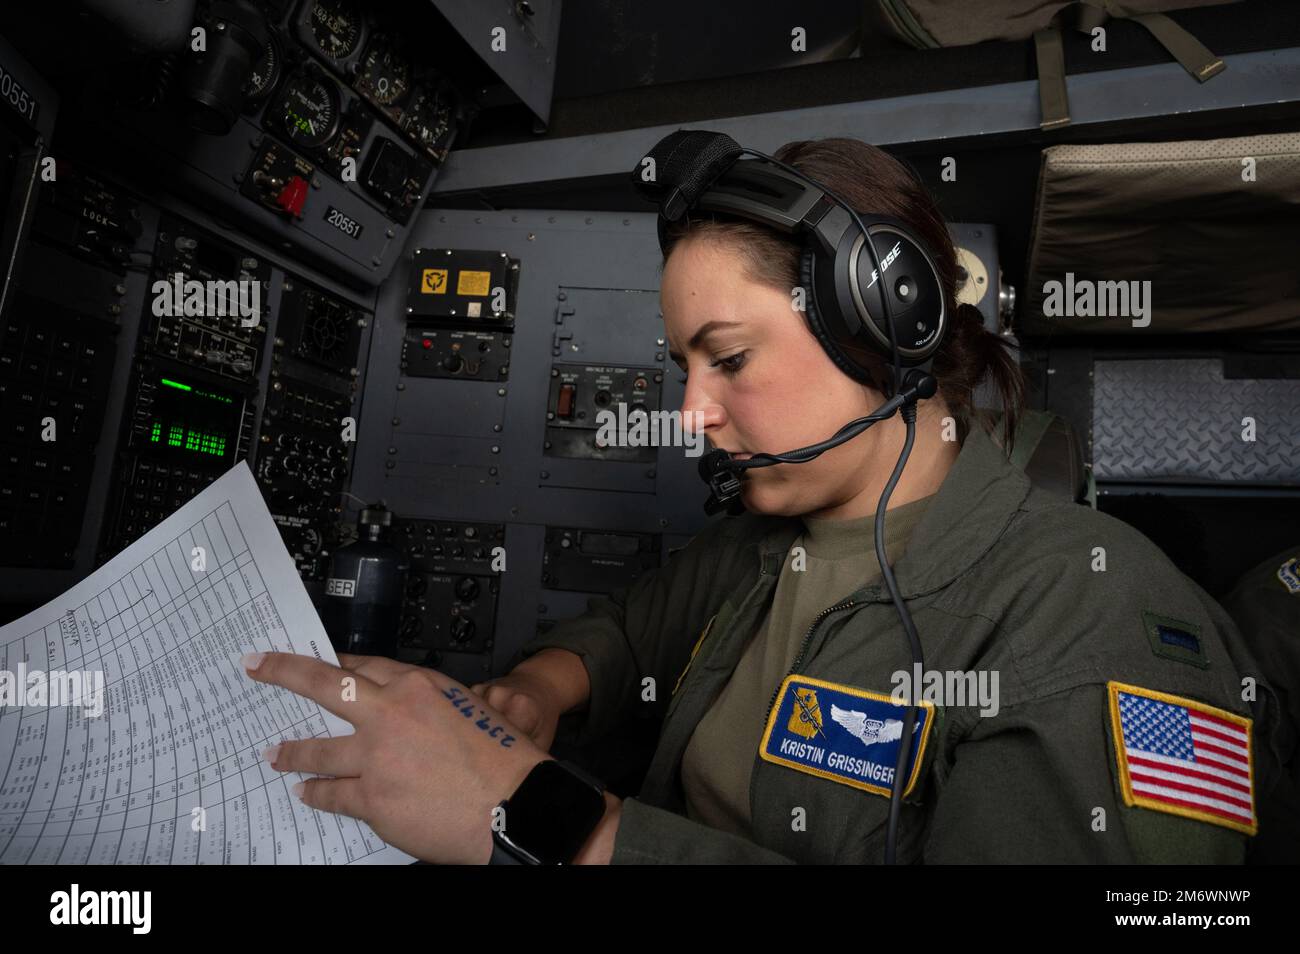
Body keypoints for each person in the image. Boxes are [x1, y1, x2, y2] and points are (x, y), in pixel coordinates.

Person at [243, 136, 1288, 864]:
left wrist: (538, 816)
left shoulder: (1092, 625)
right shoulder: (772, 535)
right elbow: (630, 632)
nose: (691, 413)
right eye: (681, 366)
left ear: (884, 323)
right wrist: (539, 694)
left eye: (728, 357)